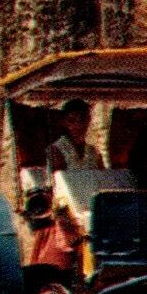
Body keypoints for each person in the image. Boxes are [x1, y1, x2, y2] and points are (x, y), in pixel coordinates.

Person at [31, 99, 105, 271]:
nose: (79, 125)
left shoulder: (93, 152)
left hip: (90, 203)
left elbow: (101, 178)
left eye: (83, 120)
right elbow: (60, 183)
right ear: (64, 122)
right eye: (73, 120)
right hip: (66, 206)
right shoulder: (56, 150)